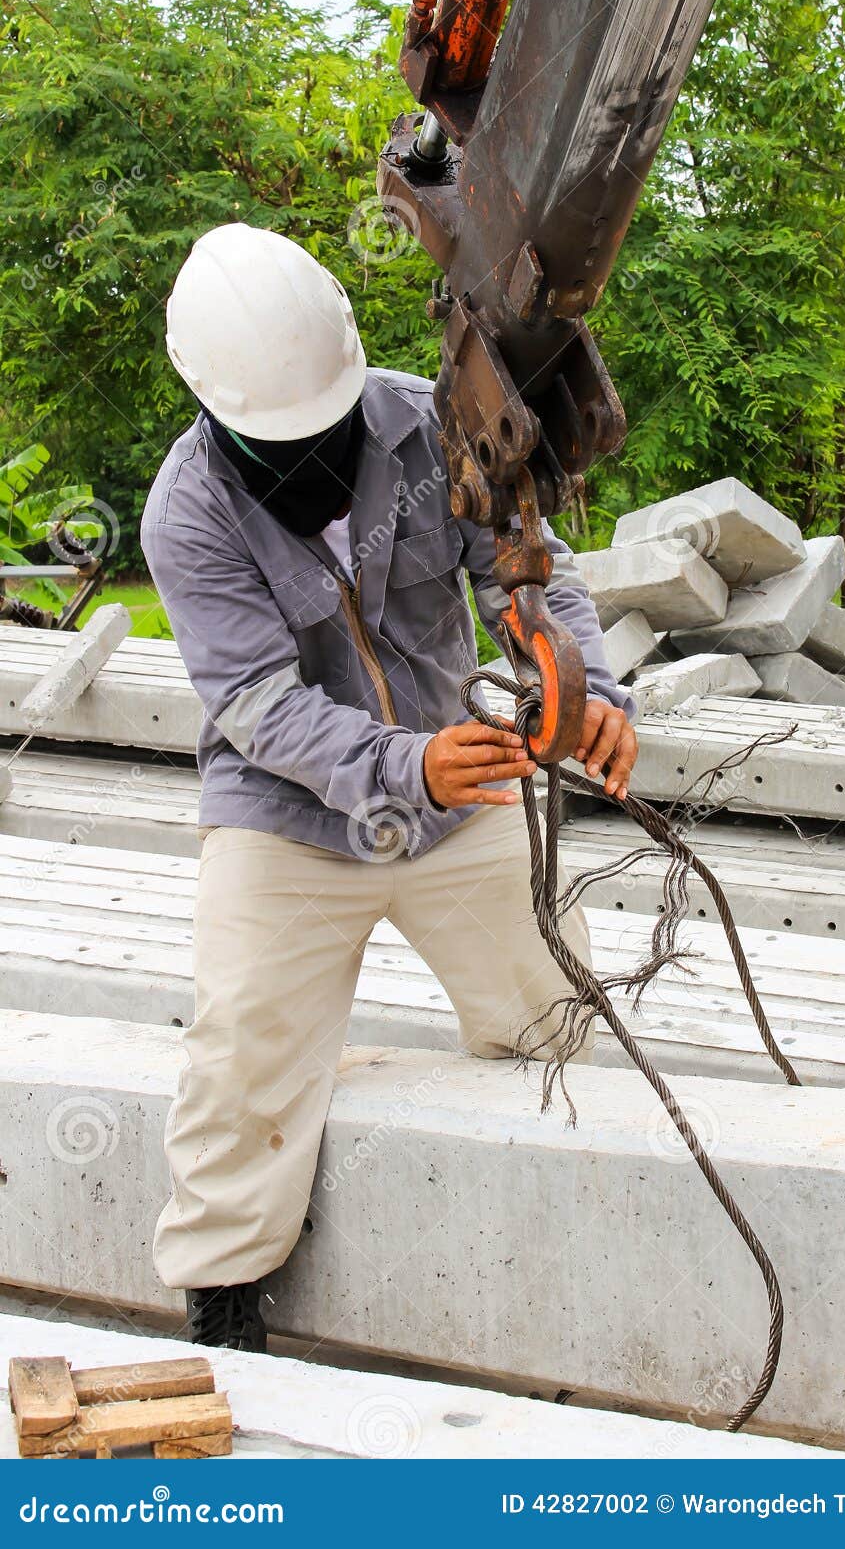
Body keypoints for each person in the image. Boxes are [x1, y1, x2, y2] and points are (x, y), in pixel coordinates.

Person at [141, 223, 638, 1350]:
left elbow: (535, 580)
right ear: (215, 408)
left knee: (555, 1015)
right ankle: (224, 1304)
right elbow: (258, 706)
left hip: (454, 792)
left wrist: (591, 694)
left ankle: (559, 1268)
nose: (317, 446)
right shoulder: (187, 513)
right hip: (290, 820)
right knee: (242, 1055)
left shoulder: (427, 422)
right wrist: (398, 764)